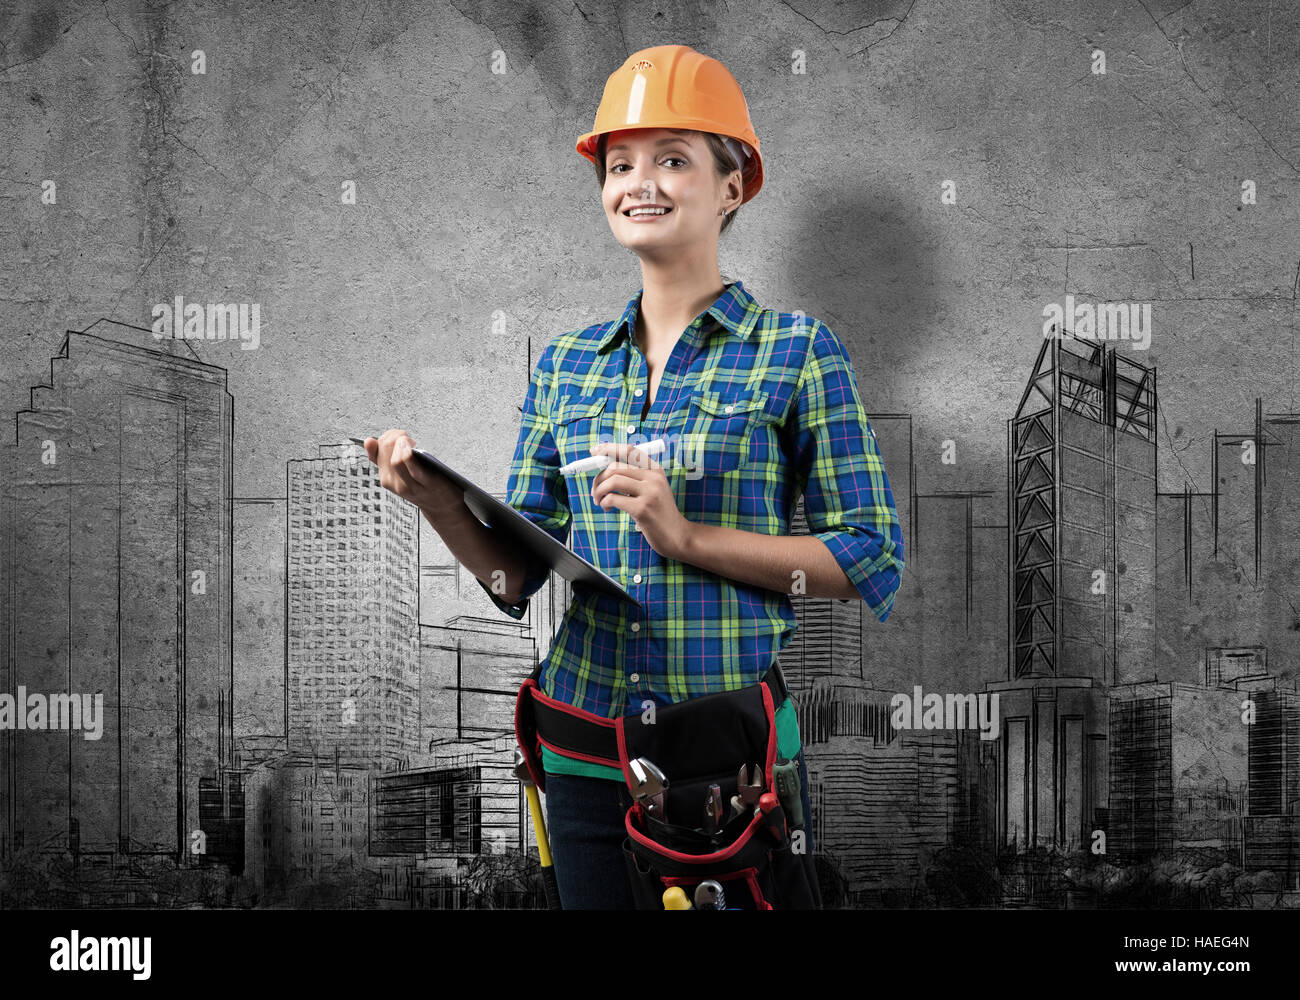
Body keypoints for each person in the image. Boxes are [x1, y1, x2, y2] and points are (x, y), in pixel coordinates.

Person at [366, 43, 904, 909]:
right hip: (581, 750)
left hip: (724, 764)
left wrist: (685, 538)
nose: (639, 182)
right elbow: (516, 575)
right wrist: (436, 500)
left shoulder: (797, 353)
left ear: (733, 186)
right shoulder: (570, 365)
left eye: (673, 159)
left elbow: (871, 555)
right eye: (620, 164)